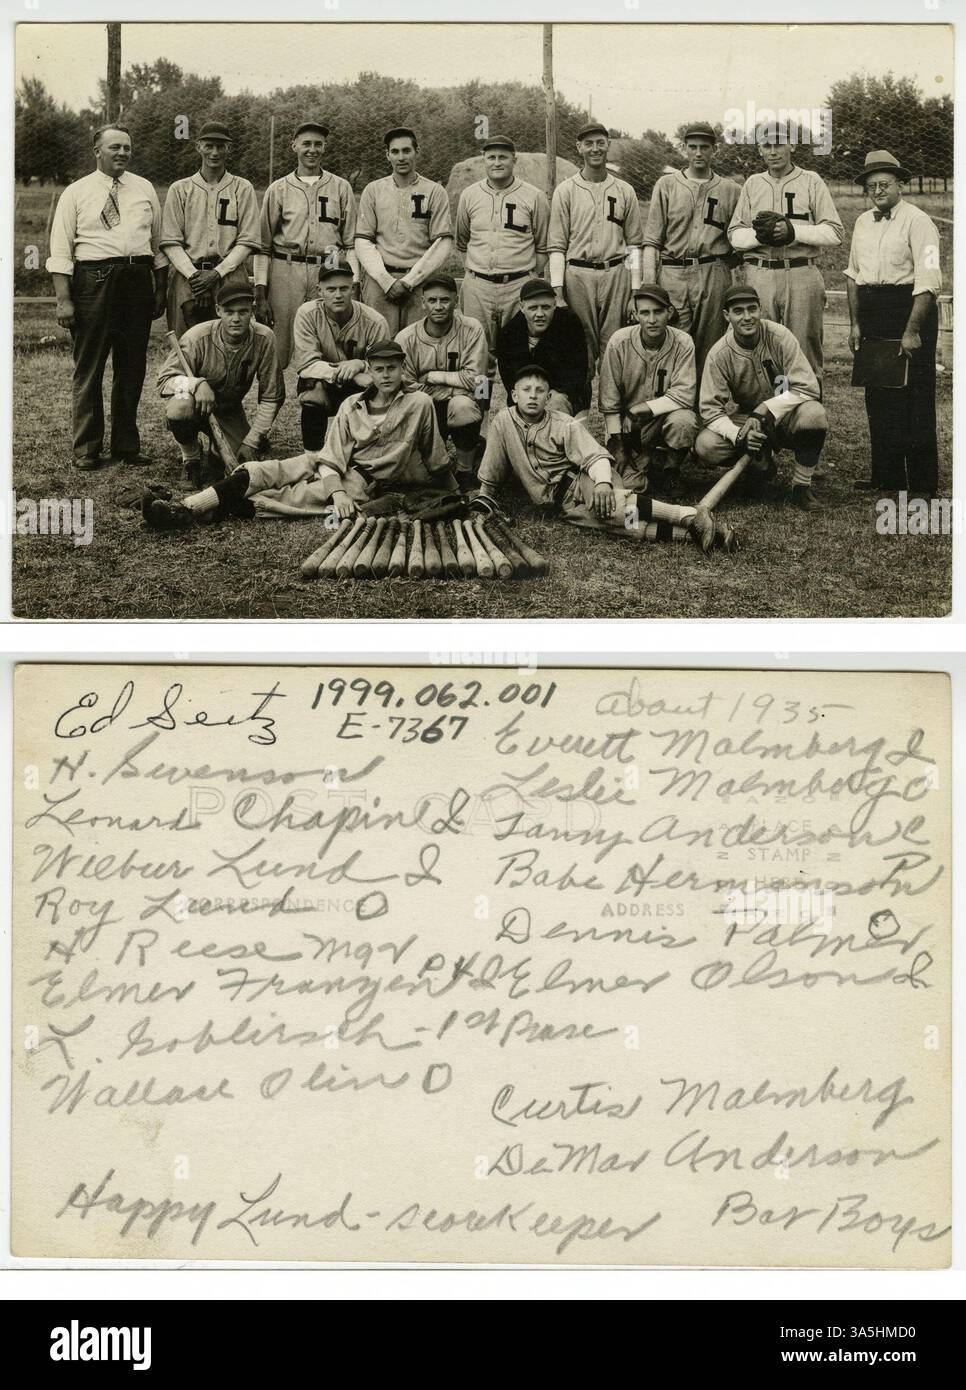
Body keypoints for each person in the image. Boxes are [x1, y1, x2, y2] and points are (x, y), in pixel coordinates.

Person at [142, 340, 457, 528]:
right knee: (261, 470)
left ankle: (185, 511)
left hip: (363, 480)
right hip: (329, 464)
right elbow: (331, 458)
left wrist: (456, 490)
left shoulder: (419, 403)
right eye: (379, 369)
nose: (386, 375)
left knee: (284, 499)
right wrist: (338, 492)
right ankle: (186, 507)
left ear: (402, 368)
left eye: (392, 368)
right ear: (369, 373)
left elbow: (435, 454)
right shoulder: (352, 404)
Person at [473, 364, 724, 553]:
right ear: (514, 395)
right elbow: (494, 462)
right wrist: (486, 493)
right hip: (563, 506)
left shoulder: (564, 423)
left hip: (582, 481)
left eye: (540, 391)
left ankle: (688, 515)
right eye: (526, 390)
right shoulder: (503, 421)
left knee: (615, 508)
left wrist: (603, 483)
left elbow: (595, 457)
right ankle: (701, 533)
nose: (532, 396)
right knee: (627, 524)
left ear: (548, 399)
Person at [46, 123, 167, 469]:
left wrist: (159, 288)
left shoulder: (144, 188)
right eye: (114, 147)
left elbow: (157, 245)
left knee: (132, 368)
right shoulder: (76, 192)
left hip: (137, 281)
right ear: (97, 151)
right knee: (90, 367)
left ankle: (126, 446)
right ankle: (87, 447)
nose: (122, 153)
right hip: (93, 282)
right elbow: (60, 249)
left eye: (127, 147)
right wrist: (63, 298)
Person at [845, 150, 942, 499]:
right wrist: (856, 324)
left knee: (915, 397)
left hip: (910, 309)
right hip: (873, 311)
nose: (878, 190)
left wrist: (913, 330)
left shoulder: (919, 222)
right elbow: (853, 276)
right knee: (879, 395)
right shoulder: (861, 223)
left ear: (900, 184)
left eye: (884, 183)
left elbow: (929, 281)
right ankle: (886, 477)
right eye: (871, 185)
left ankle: (922, 484)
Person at [694, 284, 828, 511]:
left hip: (785, 413)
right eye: (738, 311)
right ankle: (760, 461)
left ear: (760, 310)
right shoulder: (719, 353)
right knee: (706, 445)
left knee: (814, 414)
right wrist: (739, 435)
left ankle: (801, 486)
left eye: (752, 309)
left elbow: (808, 387)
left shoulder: (779, 335)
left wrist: (767, 407)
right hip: (747, 418)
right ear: (727, 316)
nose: (747, 317)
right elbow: (709, 409)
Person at [727, 129, 843, 384]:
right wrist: (761, 236)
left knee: (804, 350)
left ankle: (807, 417)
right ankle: (765, 416)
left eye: (778, 144)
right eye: (766, 145)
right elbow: (735, 235)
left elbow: (835, 233)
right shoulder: (753, 183)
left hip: (801, 273)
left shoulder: (811, 180)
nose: (773, 151)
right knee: (761, 348)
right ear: (759, 149)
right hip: (760, 275)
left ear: (791, 145)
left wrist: (793, 232)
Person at [157, 281, 284, 485]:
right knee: (179, 408)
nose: (235, 319)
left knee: (239, 461)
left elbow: (271, 397)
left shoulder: (264, 338)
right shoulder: (196, 337)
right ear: (218, 310)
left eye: (243, 312)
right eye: (229, 311)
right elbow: (164, 382)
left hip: (228, 410)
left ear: (252, 311)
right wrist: (196, 384)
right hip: (194, 404)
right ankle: (191, 459)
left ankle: (218, 447)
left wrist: (252, 441)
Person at [253, 120, 358, 368]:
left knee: (328, 343)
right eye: (306, 144)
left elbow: (351, 242)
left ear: (325, 147)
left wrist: (355, 282)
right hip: (286, 268)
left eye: (318, 144)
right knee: (278, 348)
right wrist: (260, 291)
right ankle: (271, 402)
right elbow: (263, 246)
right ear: (294, 146)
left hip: (328, 267)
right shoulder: (278, 188)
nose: (312, 149)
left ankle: (319, 402)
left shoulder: (341, 187)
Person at [642, 121, 740, 376]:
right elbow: (652, 241)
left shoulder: (730, 190)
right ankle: (674, 411)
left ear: (714, 150)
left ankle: (704, 410)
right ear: (683, 148)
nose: (698, 153)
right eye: (693, 147)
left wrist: (729, 270)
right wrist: (650, 288)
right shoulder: (666, 185)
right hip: (673, 272)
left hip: (713, 270)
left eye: (704, 147)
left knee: (711, 347)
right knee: (673, 344)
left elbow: (740, 239)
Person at [548, 121, 644, 372]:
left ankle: (615, 411)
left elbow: (634, 245)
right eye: (588, 143)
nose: (595, 149)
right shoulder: (565, 191)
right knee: (580, 351)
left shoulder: (625, 190)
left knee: (616, 350)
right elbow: (557, 246)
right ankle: (579, 411)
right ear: (579, 147)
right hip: (578, 275)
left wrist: (635, 291)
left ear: (608, 145)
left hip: (616, 275)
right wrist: (557, 292)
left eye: (600, 143)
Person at [160, 119, 261, 337]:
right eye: (209, 145)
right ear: (198, 146)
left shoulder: (242, 188)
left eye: (220, 146)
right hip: (188, 274)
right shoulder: (180, 188)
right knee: (186, 341)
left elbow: (247, 240)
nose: (214, 152)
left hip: (229, 273)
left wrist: (216, 274)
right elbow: (170, 242)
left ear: (229, 148)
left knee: (231, 339)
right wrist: (195, 277)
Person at [456, 135, 550, 363]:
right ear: (483, 160)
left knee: (519, 355)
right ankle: (481, 400)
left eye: (503, 157)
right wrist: (476, 273)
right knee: (477, 358)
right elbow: (462, 242)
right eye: (491, 157)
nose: (497, 162)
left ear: (514, 160)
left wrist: (528, 278)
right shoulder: (469, 195)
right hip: (478, 287)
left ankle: (516, 399)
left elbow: (543, 247)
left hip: (517, 286)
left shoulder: (534, 196)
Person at [598, 284, 699, 491]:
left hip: (664, 418)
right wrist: (617, 440)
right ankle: (652, 461)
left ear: (669, 312)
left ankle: (671, 469)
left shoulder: (683, 342)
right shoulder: (619, 342)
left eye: (658, 312)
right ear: (635, 314)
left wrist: (641, 409)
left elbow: (684, 395)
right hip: (630, 428)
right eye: (645, 312)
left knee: (684, 421)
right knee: (629, 485)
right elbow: (609, 399)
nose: (652, 319)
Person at [354, 126, 454, 334]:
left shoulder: (435, 191)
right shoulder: (373, 190)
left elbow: (442, 244)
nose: (401, 157)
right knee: (380, 345)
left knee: (417, 344)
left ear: (417, 151)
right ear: (387, 155)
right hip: (380, 281)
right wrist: (386, 281)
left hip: (420, 281)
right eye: (395, 151)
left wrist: (409, 281)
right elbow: (363, 241)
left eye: (406, 151)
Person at [396, 272, 488, 483]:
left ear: (456, 300)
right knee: (417, 479)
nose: (438, 306)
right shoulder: (406, 337)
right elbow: (408, 387)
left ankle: (465, 469)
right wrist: (454, 386)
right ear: (423, 303)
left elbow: (476, 379)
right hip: (424, 407)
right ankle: (436, 461)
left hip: (462, 404)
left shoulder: (472, 328)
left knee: (463, 404)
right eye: (432, 300)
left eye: (445, 300)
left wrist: (433, 376)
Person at [291, 257, 389, 450]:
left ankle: (364, 453)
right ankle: (312, 457)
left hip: (363, 389)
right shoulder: (307, 313)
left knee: (377, 388)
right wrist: (353, 372)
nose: (338, 295)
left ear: (353, 289)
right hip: (326, 384)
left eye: (344, 289)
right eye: (331, 289)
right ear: (319, 290)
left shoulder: (375, 321)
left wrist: (361, 364)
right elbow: (306, 366)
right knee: (312, 393)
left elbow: (385, 367)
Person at [496, 277, 590, 418]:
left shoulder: (570, 324)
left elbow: (577, 374)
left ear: (554, 305)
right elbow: (511, 381)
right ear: (522, 307)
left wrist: (547, 397)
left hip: (563, 395)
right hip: (529, 394)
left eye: (545, 307)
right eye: (533, 308)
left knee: (555, 405)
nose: (540, 314)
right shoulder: (508, 333)